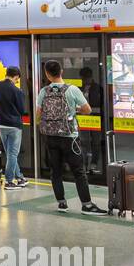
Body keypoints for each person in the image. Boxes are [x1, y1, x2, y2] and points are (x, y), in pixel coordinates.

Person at [37, 60, 104, 214]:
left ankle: (62, 203)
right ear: (62, 71)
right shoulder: (72, 90)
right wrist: (74, 109)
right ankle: (86, 205)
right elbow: (87, 110)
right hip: (69, 137)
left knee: (56, 171)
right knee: (78, 172)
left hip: (50, 137)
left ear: (47, 74)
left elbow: (38, 116)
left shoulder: (43, 92)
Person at [0, 66, 27, 189]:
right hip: (14, 126)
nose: (16, 82)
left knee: (10, 153)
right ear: (16, 77)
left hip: (0, 125)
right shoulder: (17, 91)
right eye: (17, 80)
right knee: (12, 154)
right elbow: (22, 110)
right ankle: (9, 181)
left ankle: (19, 178)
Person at [78, 66, 105, 175]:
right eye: (84, 78)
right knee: (84, 142)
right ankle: (84, 164)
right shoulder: (79, 88)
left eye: (87, 78)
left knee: (96, 142)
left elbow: (102, 105)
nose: (86, 80)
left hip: (95, 119)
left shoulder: (98, 88)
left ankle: (93, 164)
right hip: (83, 119)